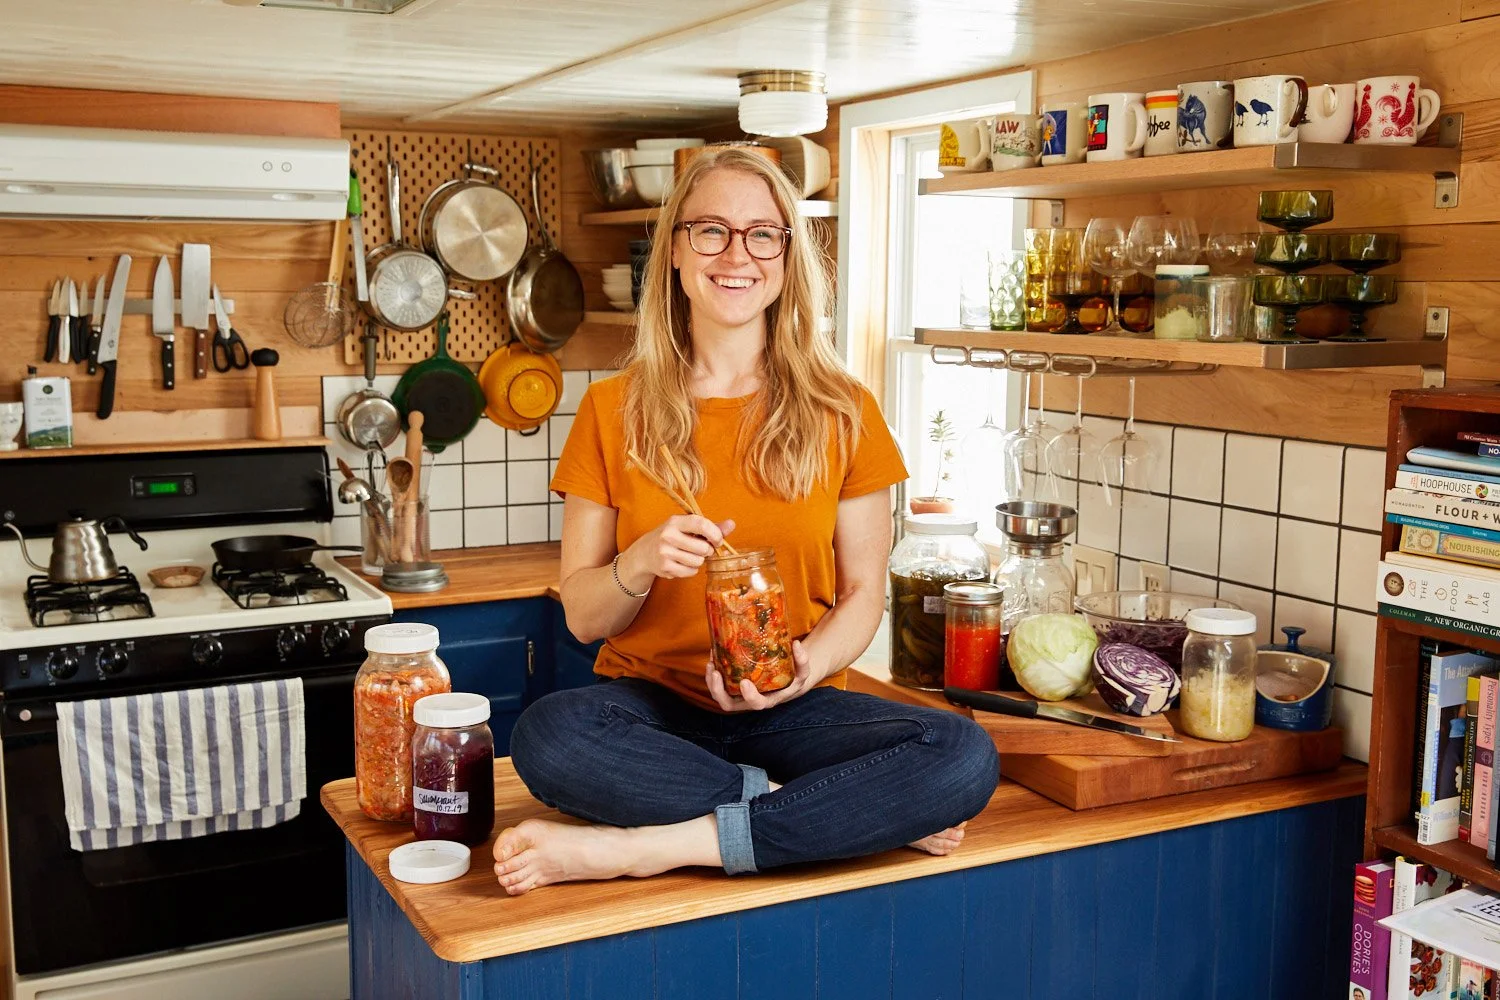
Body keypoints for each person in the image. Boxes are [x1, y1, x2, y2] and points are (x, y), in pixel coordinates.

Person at [493, 146, 999, 895]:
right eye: (711, 232)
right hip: (649, 707)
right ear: (674, 248)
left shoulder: (845, 411)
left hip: (791, 704)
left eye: (763, 234)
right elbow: (582, 618)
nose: (738, 255)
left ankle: (647, 848)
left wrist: (804, 669)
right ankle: (825, 814)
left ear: (789, 256)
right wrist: (637, 563)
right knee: (549, 738)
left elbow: (864, 595)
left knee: (959, 752)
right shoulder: (611, 410)